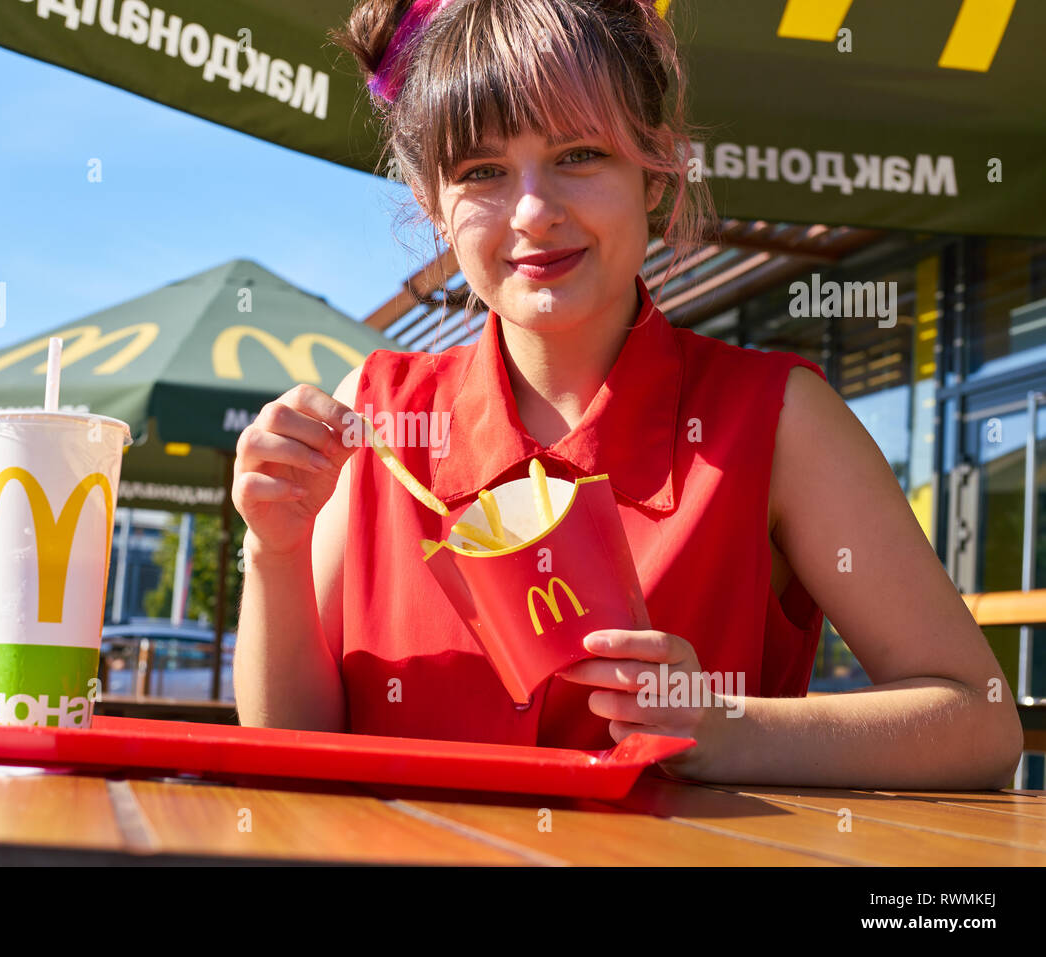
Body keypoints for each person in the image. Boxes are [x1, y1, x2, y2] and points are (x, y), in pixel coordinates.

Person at [231, 0, 1023, 788]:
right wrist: (272, 548)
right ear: (432, 204)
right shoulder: (375, 415)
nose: (534, 213)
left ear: (658, 168)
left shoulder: (779, 419)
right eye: (482, 172)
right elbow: (290, 743)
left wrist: (720, 726)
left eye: (579, 154)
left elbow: (980, 721)